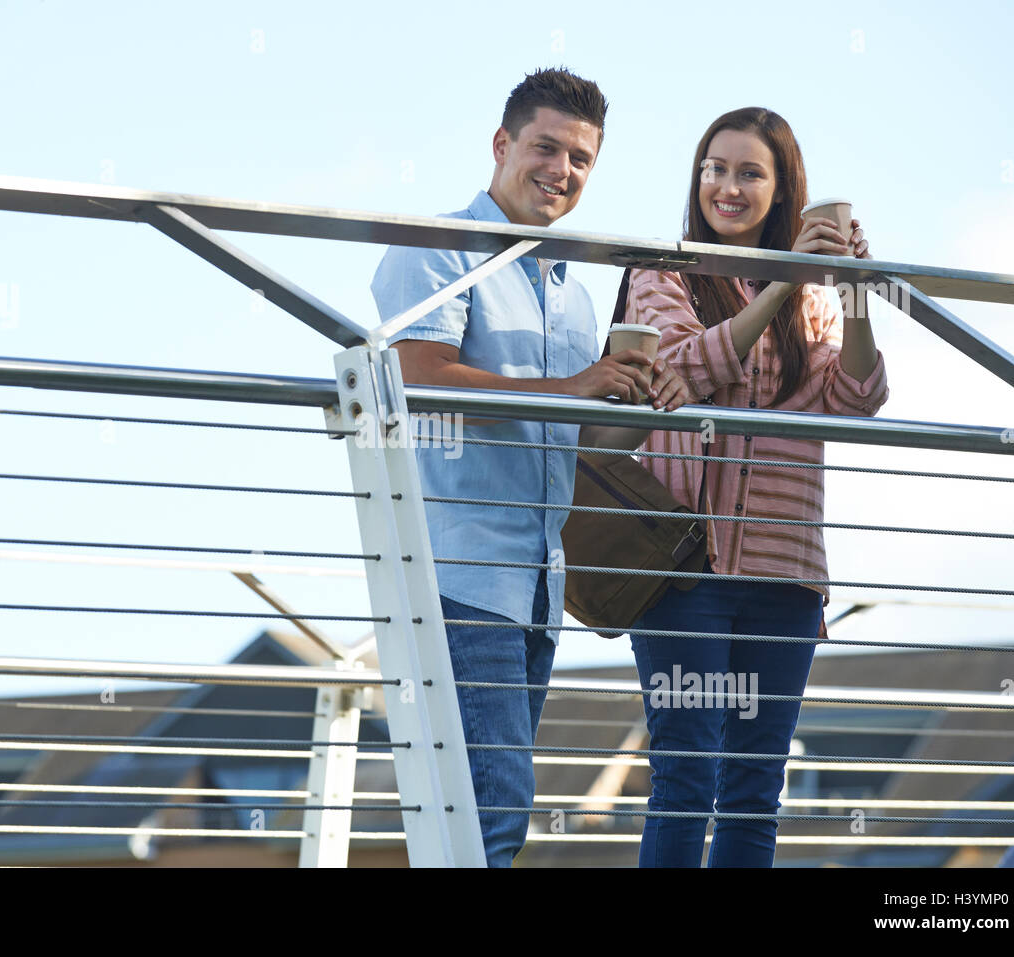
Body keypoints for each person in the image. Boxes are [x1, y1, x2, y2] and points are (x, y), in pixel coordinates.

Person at [370, 68, 691, 867]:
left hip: (542, 586)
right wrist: (573, 385)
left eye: (582, 159)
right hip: (459, 572)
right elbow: (417, 377)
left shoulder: (574, 295)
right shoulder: (436, 244)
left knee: (488, 806)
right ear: (502, 144)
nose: (563, 170)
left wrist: (639, 409)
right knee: (492, 804)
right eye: (547, 147)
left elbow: (576, 444)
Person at [618, 106, 890, 867]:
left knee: (753, 790)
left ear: (784, 193)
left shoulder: (815, 300)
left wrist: (855, 287)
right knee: (686, 772)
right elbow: (687, 370)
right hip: (683, 567)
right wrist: (784, 281)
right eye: (714, 168)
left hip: (786, 570)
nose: (726, 186)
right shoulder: (663, 270)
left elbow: (857, 397)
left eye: (748, 172)